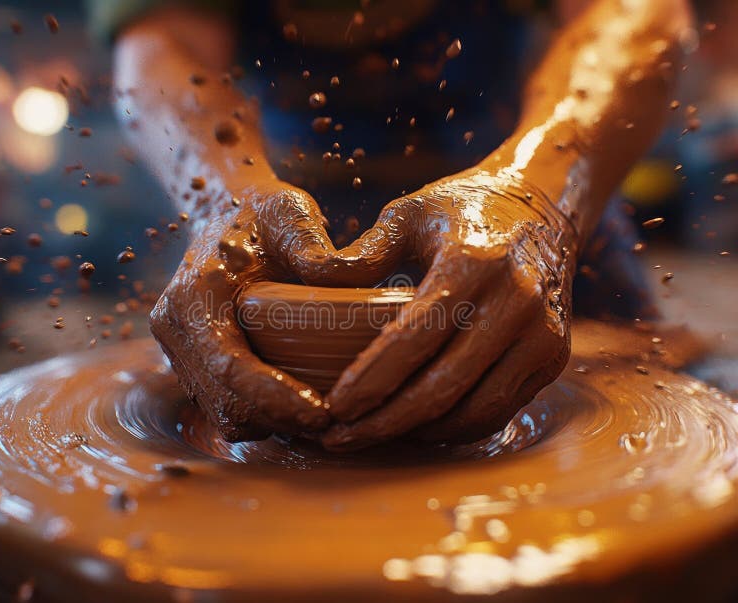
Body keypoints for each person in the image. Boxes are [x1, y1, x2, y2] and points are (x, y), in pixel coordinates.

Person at [107, 0, 693, 450]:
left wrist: (536, 196)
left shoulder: (536, 206)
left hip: (533, 215)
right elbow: (164, 43)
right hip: (285, 228)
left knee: (660, 418)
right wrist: (220, 203)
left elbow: (631, 13)